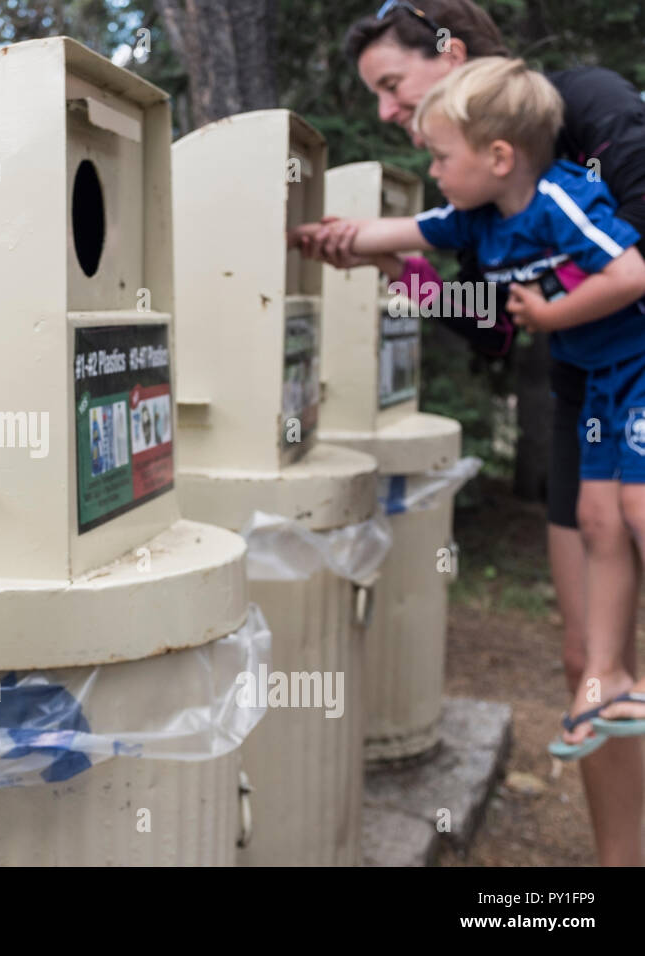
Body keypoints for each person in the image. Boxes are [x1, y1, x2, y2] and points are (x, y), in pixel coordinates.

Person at [305, 0, 645, 868]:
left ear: (449, 53)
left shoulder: (590, 108)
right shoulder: (479, 200)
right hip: (588, 390)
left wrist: (565, 306)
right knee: (586, 658)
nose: (386, 112)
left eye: (392, 85)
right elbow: (495, 327)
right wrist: (401, 272)